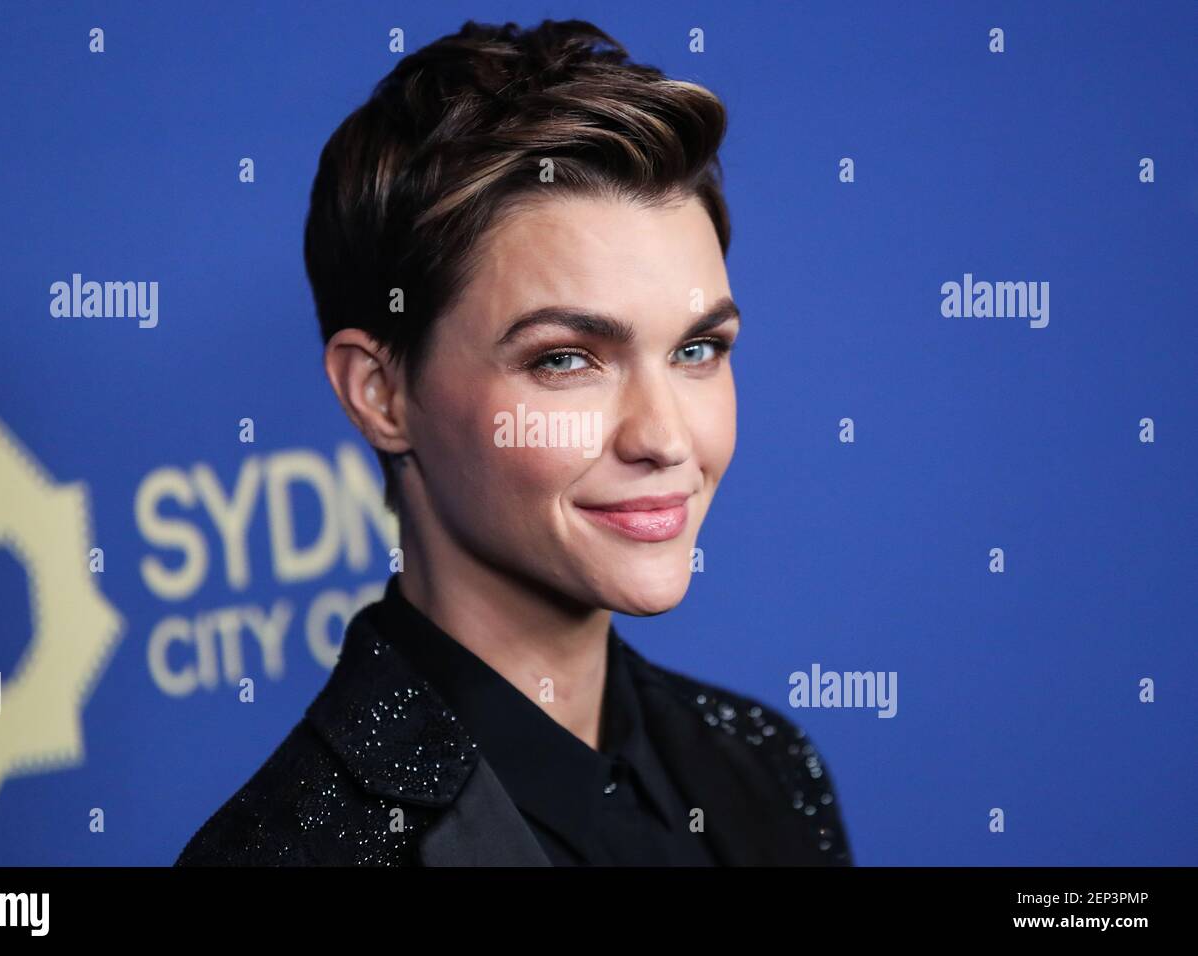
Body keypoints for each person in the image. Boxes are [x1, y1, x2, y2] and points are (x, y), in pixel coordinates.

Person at [176, 17, 853, 866]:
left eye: (696, 350)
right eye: (566, 359)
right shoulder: (289, 855)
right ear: (381, 393)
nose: (664, 437)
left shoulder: (766, 765)